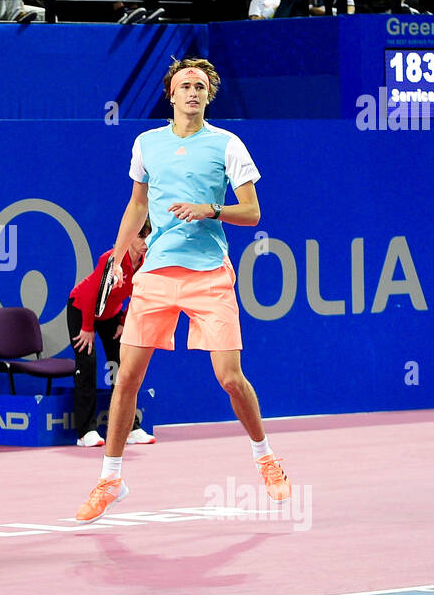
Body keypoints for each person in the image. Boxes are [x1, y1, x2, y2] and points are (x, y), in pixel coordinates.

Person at [72, 58, 290, 524]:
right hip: (156, 274)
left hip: (209, 274)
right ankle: (110, 479)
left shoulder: (228, 145)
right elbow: (136, 204)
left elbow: (252, 212)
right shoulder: (146, 144)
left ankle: (265, 457)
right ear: (170, 94)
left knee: (230, 377)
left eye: (199, 86)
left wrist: (210, 209)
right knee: (126, 377)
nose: (191, 92)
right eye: (184, 85)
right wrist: (116, 256)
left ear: (208, 95)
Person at [65, 220, 153, 448]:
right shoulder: (110, 259)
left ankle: (130, 428)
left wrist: (123, 321)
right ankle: (86, 432)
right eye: (142, 237)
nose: (146, 243)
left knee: (124, 367)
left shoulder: (146, 262)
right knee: (87, 365)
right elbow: (92, 294)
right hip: (82, 309)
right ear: (131, 236)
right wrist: (86, 328)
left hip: (111, 316)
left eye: (149, 237)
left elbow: (140, 297)